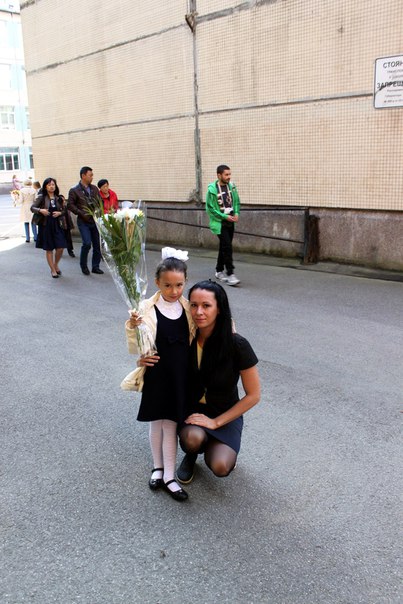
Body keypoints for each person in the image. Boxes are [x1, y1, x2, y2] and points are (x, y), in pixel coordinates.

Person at [124, 250, 196, 502]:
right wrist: (134, 331)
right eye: (167, 285)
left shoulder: (189, 308)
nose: (174, 291)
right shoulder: (145, 307)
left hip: (180, 375)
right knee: (156, 422)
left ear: (185, 282)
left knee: (171, 424)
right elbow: (137, 342)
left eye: (179, 285)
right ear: (157, 283)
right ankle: (157, 468)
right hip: (157, 373)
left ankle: (169, 476)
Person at [176, 280, 260, 484]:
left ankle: (218, 446)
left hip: (225, 413)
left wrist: (216, 422)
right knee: (192, 439)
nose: (199, 312)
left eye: (206, 305)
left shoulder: (237, 344)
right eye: (194, 305)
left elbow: (254, 395)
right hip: (193, 410)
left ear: (219, 308)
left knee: (221, 466)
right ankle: (192, 454)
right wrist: (143, 358)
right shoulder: (185, 338)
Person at [206, 164, 241, 286]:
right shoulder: (212, 190)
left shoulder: (231, 187)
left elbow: (236, 201)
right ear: (219, 175)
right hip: (219, 223)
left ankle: (219, 270)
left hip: (230, 221)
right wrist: (224, 216)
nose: (229, 177)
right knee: (227, 247)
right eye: (226, 174)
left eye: (229, 174)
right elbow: (210, 208)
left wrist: (236, 213)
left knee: (224, 246)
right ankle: (230, 274)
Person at [67, 166, 103, 275]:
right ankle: (83, 266)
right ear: (83, 176)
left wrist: (98, 211)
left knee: (97, 245)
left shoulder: (94, 188)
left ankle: (95, 266)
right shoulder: (74, 190)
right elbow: (70, 205)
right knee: (87, 243)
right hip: (83, 221)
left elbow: (100, 201)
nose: (92, 177)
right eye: (90, 175)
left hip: (94, 220)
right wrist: (81, 213)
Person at [31, 177, 67, 278]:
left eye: (53, 184)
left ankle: (55, 264)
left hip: (57, 225)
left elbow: (65, 210)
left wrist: (60, 213)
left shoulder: (59, 198)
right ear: (45, 187)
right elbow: (32, 208)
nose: (51, 186)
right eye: (49, 185)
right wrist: (40, 210)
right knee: (49, 248)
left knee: (60, 247)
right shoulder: (41, 197)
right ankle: (53, 270)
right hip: (46, 225)